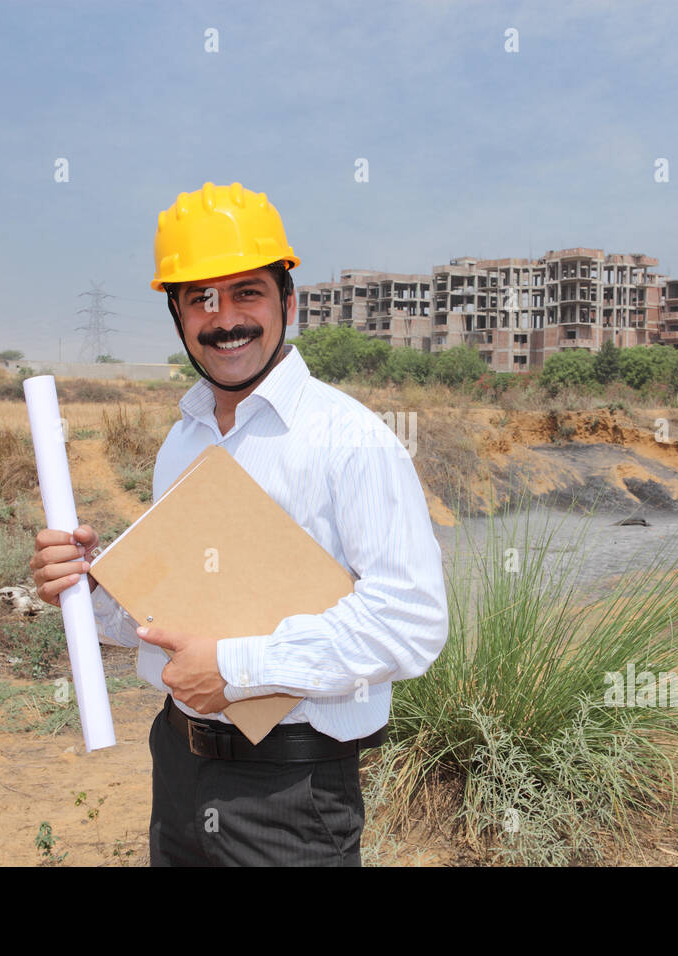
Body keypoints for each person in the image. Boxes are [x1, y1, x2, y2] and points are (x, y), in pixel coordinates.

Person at [29, 181, 448, 866]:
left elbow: (411, 622)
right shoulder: (184, 440)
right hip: (179, 762)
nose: (225, 319)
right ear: (177, 316)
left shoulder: (352, 440)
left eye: (247, 293)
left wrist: (236, 669)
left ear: (288, 300)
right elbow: (175, 614)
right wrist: (89, 587)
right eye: (201, 298)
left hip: (292, 790)